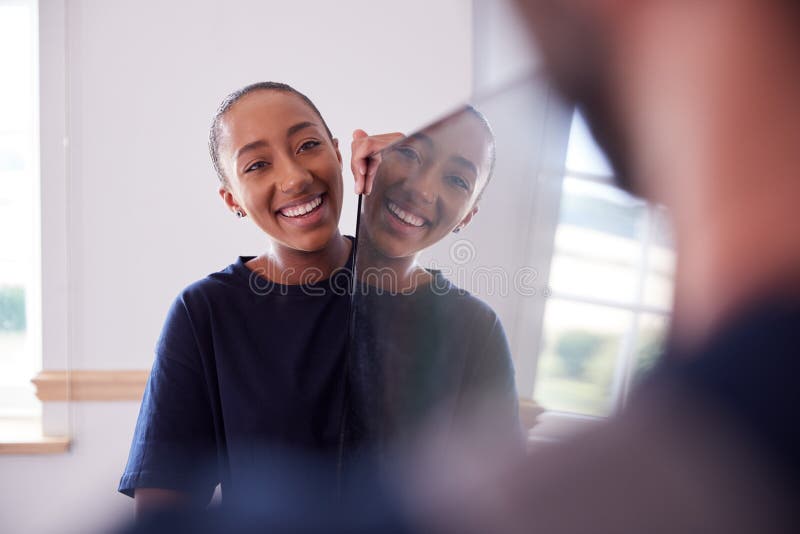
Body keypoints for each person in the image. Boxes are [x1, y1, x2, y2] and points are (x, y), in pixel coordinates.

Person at [119, 82, 357, 513]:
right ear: (233, 200)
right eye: (257, 165)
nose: (295, 177)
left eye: (307, 145)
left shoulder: (419, 296)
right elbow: (163, 514)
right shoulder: (206, 313)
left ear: (338, 153)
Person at [344, 107, 521, 466]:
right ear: (365, 159)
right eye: (410, 154)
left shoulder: (475, 330)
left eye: (458, 180)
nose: (422, 189)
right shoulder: (269, 288)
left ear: (468, 215)